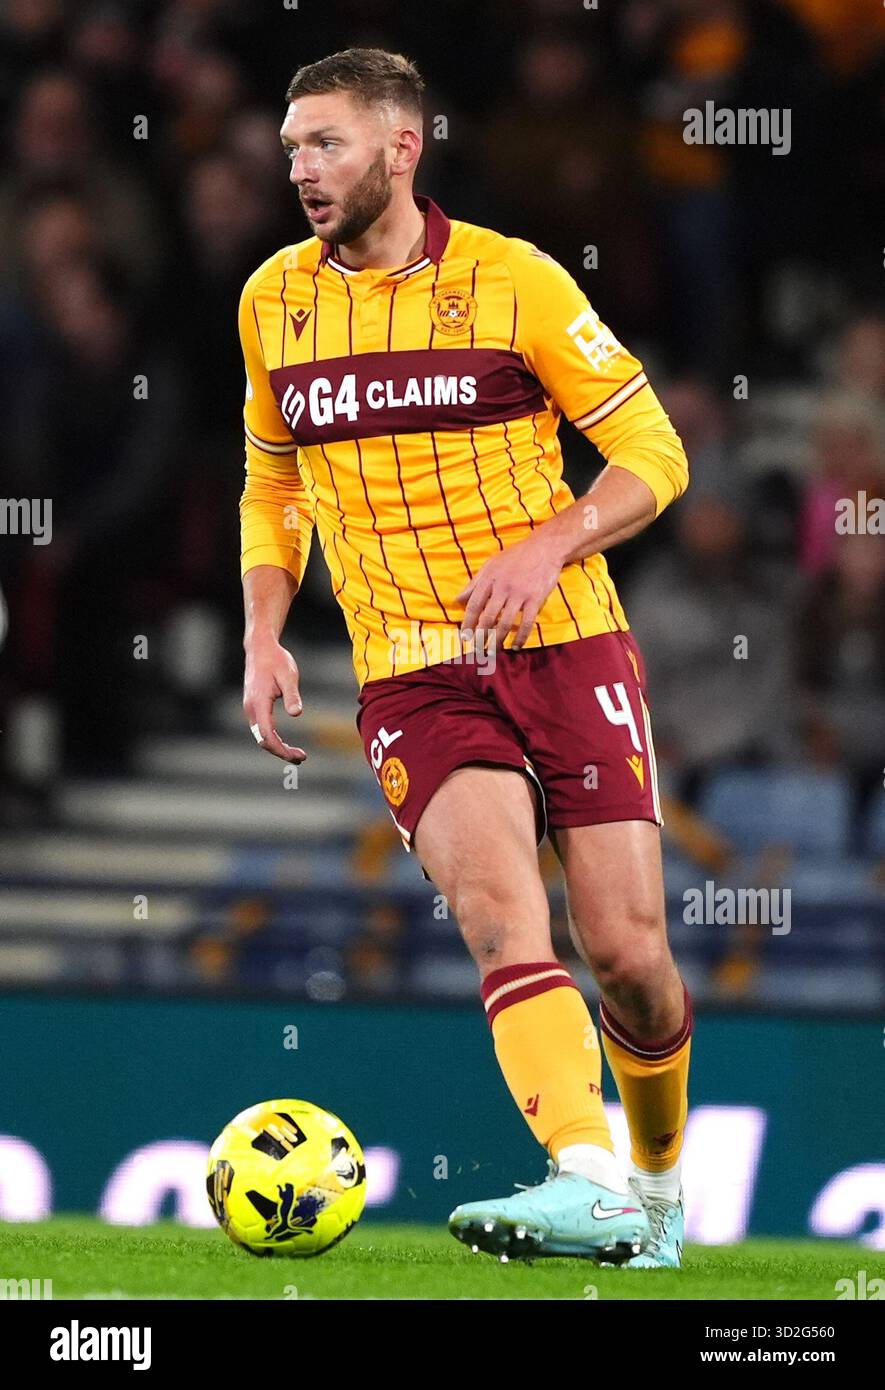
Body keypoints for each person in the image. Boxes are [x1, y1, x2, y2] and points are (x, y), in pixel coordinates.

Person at [237, 48, 691, 1267]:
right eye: (289, 147)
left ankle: (655, 1192)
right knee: (500, 916)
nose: (299, 168)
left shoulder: (517, 282)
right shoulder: (271, 299)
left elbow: (654, 453)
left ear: (401, 147)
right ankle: (585, 1173)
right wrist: (265, 624)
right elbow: (272, 476)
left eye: (323, 143)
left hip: (567, 640)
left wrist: (553, 544)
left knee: (633, 958)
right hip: (410, 668)